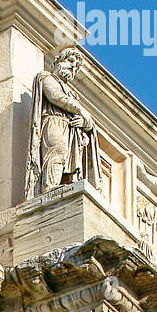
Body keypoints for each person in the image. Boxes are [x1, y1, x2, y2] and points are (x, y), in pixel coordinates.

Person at [25, 47, 100, 200]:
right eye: (70, 61)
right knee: (56, 150)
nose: (73, 67)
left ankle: (63, 183)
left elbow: (87, 123)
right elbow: (55, 96)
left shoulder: (72, 93)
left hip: (70, 128)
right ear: (58, 61)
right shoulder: (46, 77)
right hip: (54, 122)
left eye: (76, 66)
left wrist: (85, 121)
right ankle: (49, 187)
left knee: (67, 158)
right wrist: (81, 110)